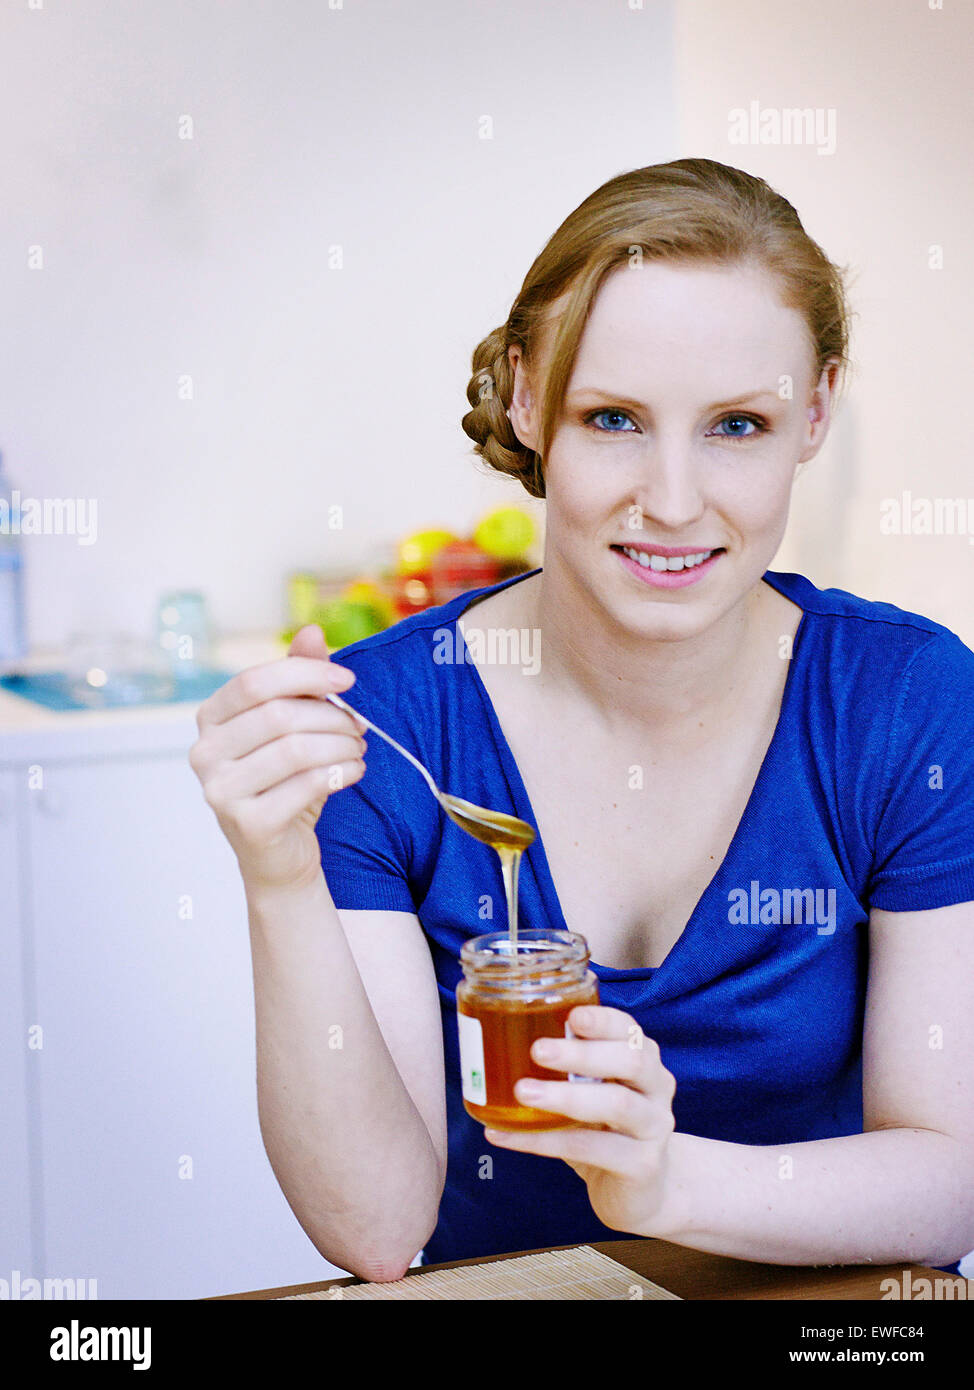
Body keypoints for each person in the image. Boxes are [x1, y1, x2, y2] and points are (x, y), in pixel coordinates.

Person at [190, 158, 974, 1282]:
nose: (669, 498)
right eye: (612, 417)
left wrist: (666, 1183)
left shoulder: (904, 704)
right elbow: (373, 1230)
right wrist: (277, 876)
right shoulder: (384, 728)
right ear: (523, 396)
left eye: (736, 426)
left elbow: (947, 1179)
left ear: (814, 413)